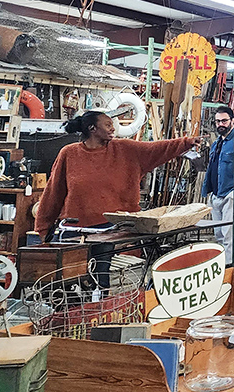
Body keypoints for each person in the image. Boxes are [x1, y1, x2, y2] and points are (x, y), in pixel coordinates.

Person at [35, 110, 198, 288]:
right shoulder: (69, 153)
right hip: (75, 229)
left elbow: (156, 149)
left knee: (101, 278)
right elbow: (54, 190)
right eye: (108, 125)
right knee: (68, 282)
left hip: (112, 229)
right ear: (92, 128)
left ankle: (98, 312)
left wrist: (186, 143)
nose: (113, 128)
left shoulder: (126, 149)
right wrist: (43, 226)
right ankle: (71, 313)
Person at [201, 106, 234, 263]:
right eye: (218, 121)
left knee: (228, 234)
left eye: (224, 121)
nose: (221, 124)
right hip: (216, 193)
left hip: (229, 193)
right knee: (218, 234)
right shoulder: (216, 143)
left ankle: (229, 268)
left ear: (232, 121)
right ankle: (222, 264)